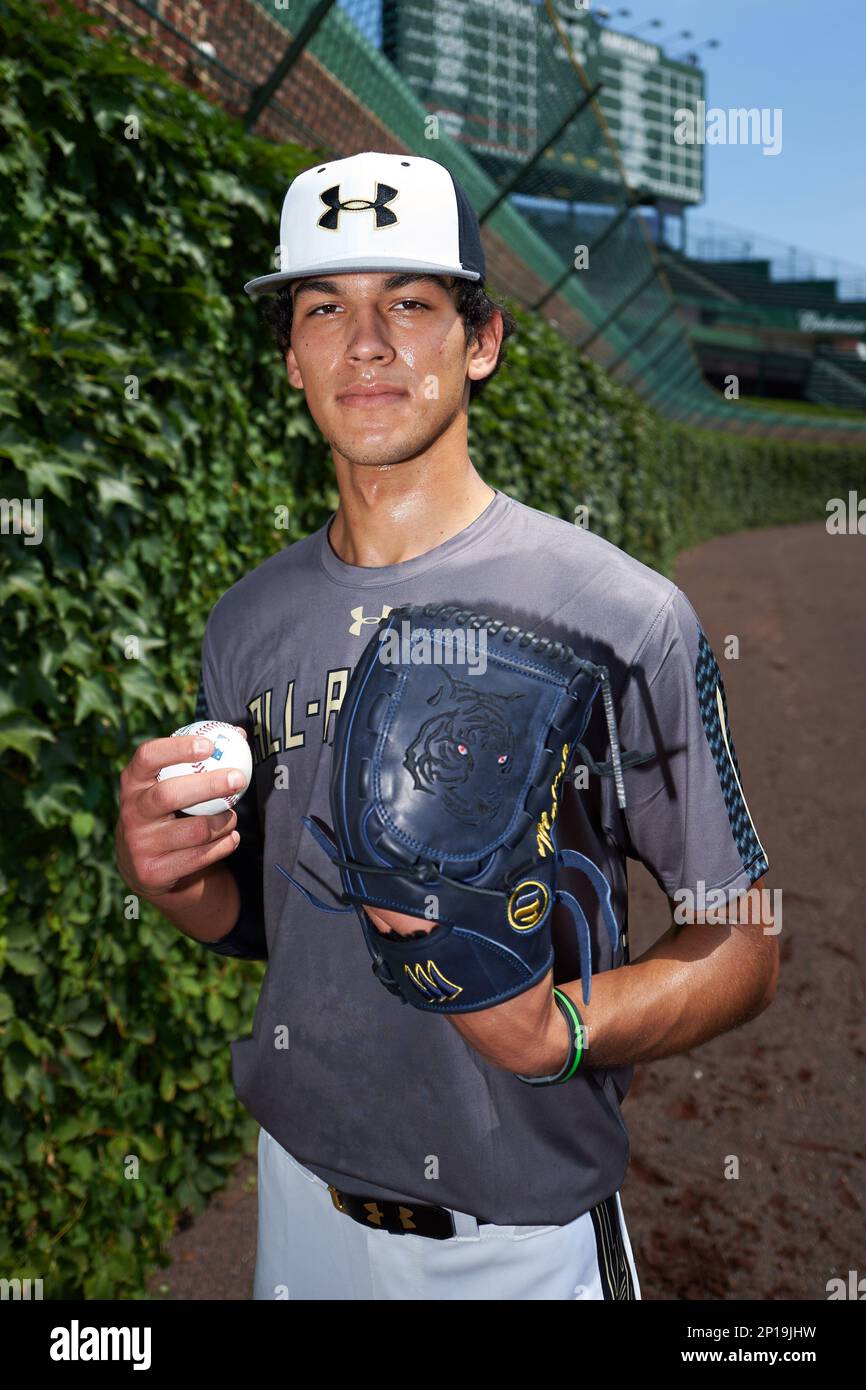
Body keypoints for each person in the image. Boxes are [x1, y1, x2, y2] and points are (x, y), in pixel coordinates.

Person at [115, 151, 778, 1301]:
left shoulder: (619, 613)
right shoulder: (248, 620)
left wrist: (556, 1030)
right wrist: (177, 882)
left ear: (480, 342)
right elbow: (280, 925)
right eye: (324, 307)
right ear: (289, 356)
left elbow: (745, 939)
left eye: (408, 304)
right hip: (295, 1203)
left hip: (507, 1243)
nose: (364, 343)